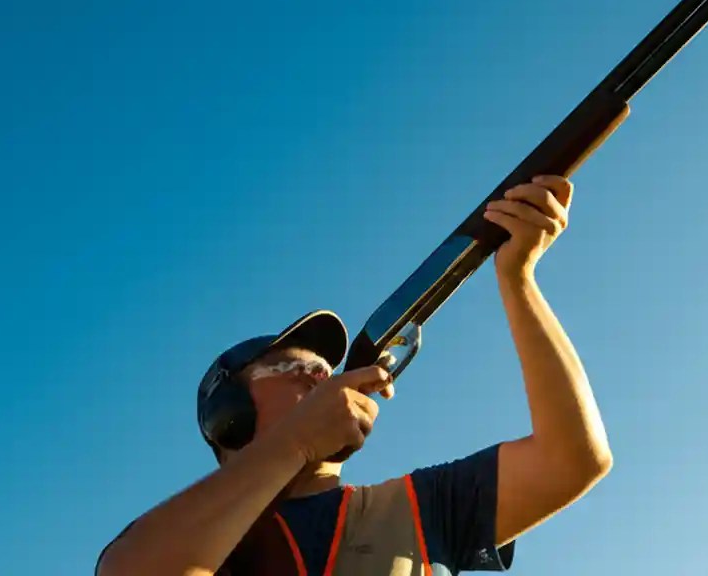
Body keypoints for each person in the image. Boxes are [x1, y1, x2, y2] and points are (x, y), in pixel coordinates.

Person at [96, 174, 613, 576]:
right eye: (294, 369)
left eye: (324, 370)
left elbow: (574, 458)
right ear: (229, 413)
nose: (321, 378)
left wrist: (517, 279)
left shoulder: (423, 505)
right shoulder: (195, 535)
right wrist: (296, 442)